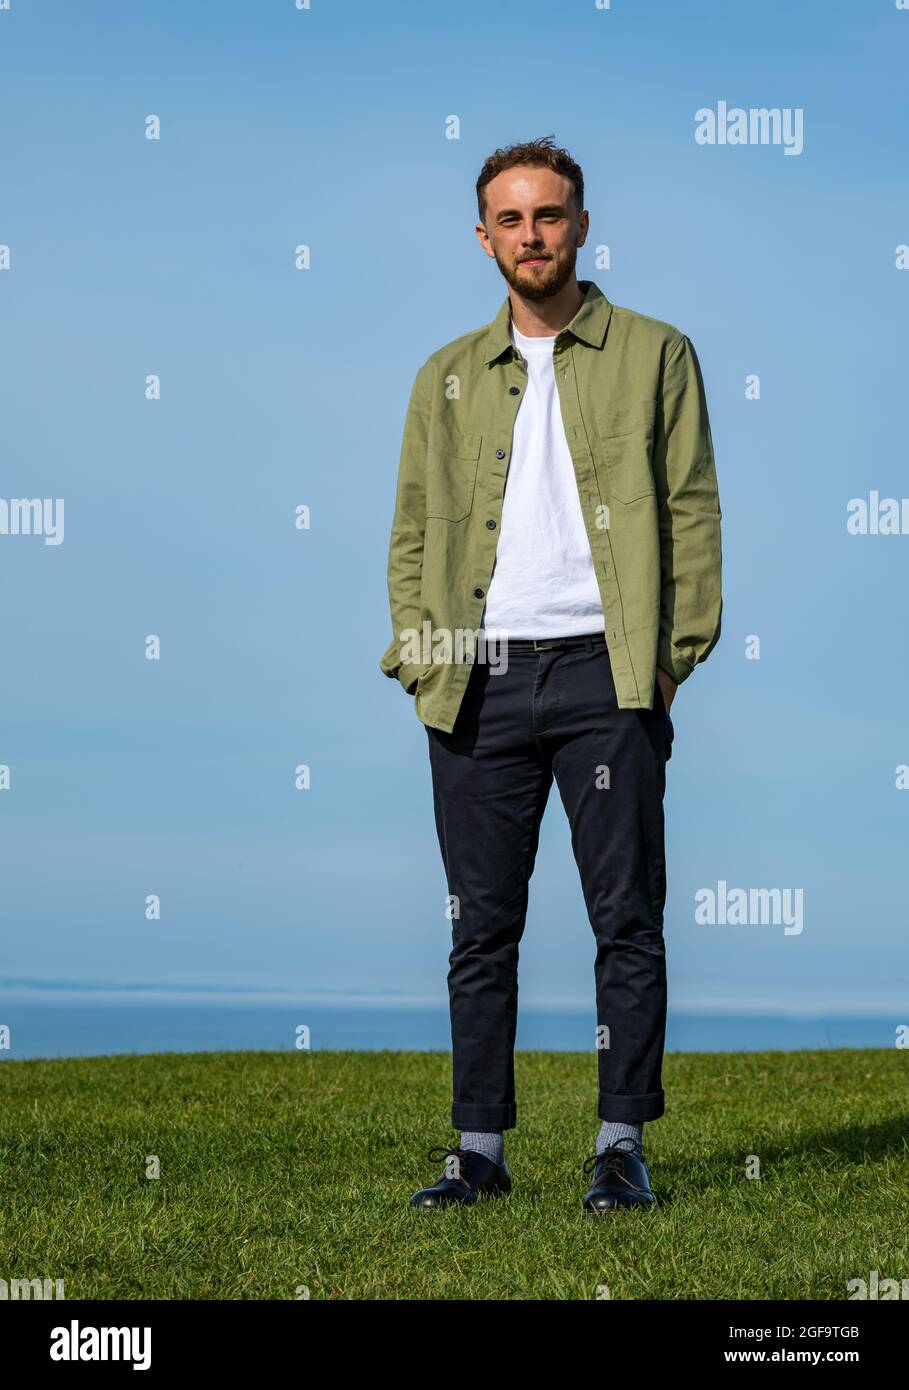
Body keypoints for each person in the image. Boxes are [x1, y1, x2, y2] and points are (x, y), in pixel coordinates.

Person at [379, 135, 722, 1213]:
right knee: (480, 927)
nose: (533, 236)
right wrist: (419, 659)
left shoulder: (657, 354)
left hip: (606, 677)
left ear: (582, 223)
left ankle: (620, 1146)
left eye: (552, 215)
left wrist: (670, 664)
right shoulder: (442, 377)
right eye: (512, 219)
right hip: (473, 680)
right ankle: (477, 1150)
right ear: (484, 236)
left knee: (625, 916)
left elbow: (691, 511)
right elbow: (413, 529)